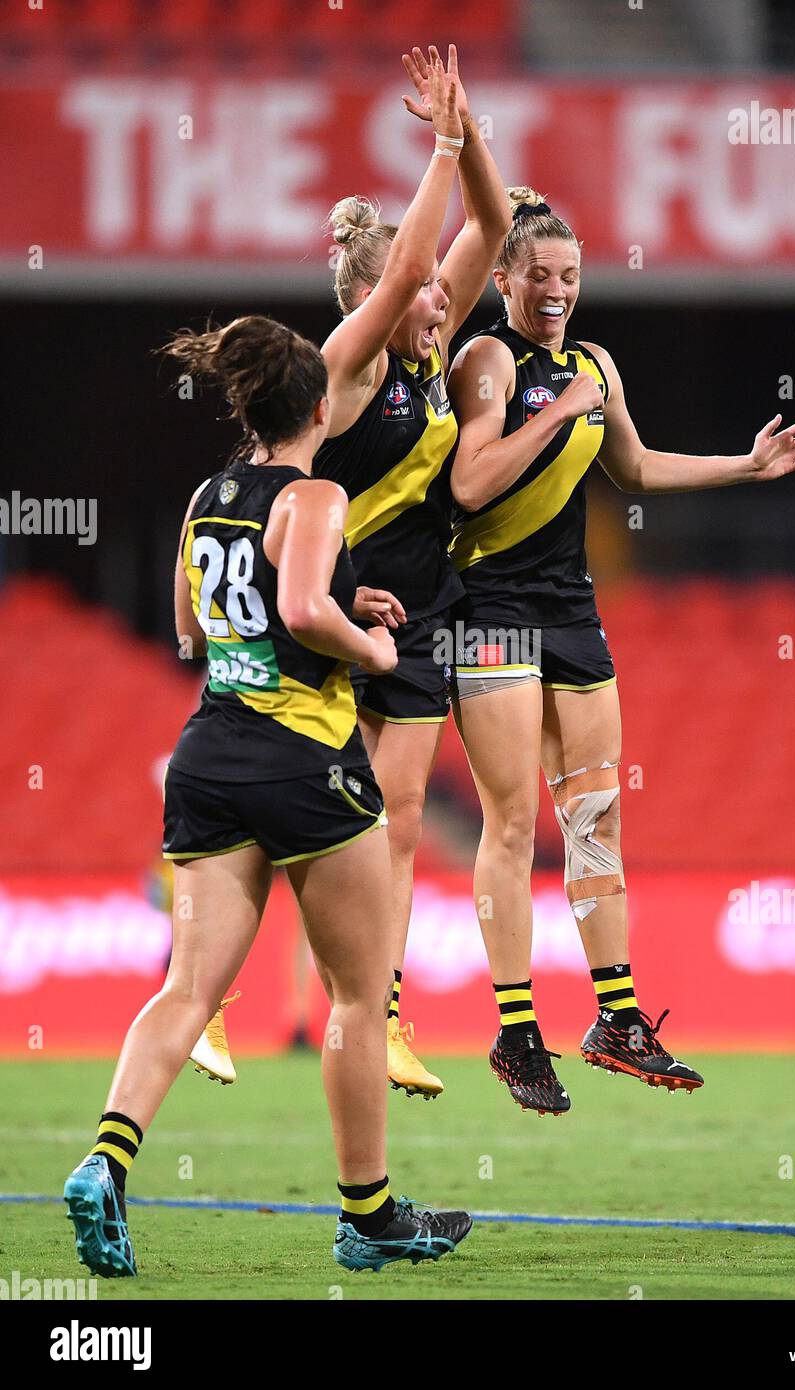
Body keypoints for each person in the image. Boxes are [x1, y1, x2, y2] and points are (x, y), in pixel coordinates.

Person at [63, 314, 472, 1277]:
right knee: (360, 997)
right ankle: (369, 1214)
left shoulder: (209, 495)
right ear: (322, 406)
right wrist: (370, 644)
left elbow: (191, 627)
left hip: (209, 754)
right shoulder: (318, 491)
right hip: (305, 763)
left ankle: (106, 1158)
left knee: (186, 988)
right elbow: (295, 607)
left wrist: (336, 599)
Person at [446, 189, 795, 1115]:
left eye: (569, 276)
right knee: (509, 824)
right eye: (537, 274)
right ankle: (514, 1029)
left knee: (597, 817)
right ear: (502, 278)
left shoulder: (596, 365)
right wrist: (562, 407)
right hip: (490, 603)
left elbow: (638, 467)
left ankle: (616, 1019)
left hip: (571, 609)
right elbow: (468, 482)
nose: (555, 290)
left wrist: (744, 466)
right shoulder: (487, 358)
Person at [312, 44, 511, 1098]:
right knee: (298, 811)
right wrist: (436, 144)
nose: (443, 299)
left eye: (441, 292)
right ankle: (208, 996)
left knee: (391, 818)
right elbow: (410, 270)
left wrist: (468, 131)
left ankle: (380, 1017)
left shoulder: (429, 357)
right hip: (329, 609)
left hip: (418, 614)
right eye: (424, 291)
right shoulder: (346, 369)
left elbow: (490, 226)